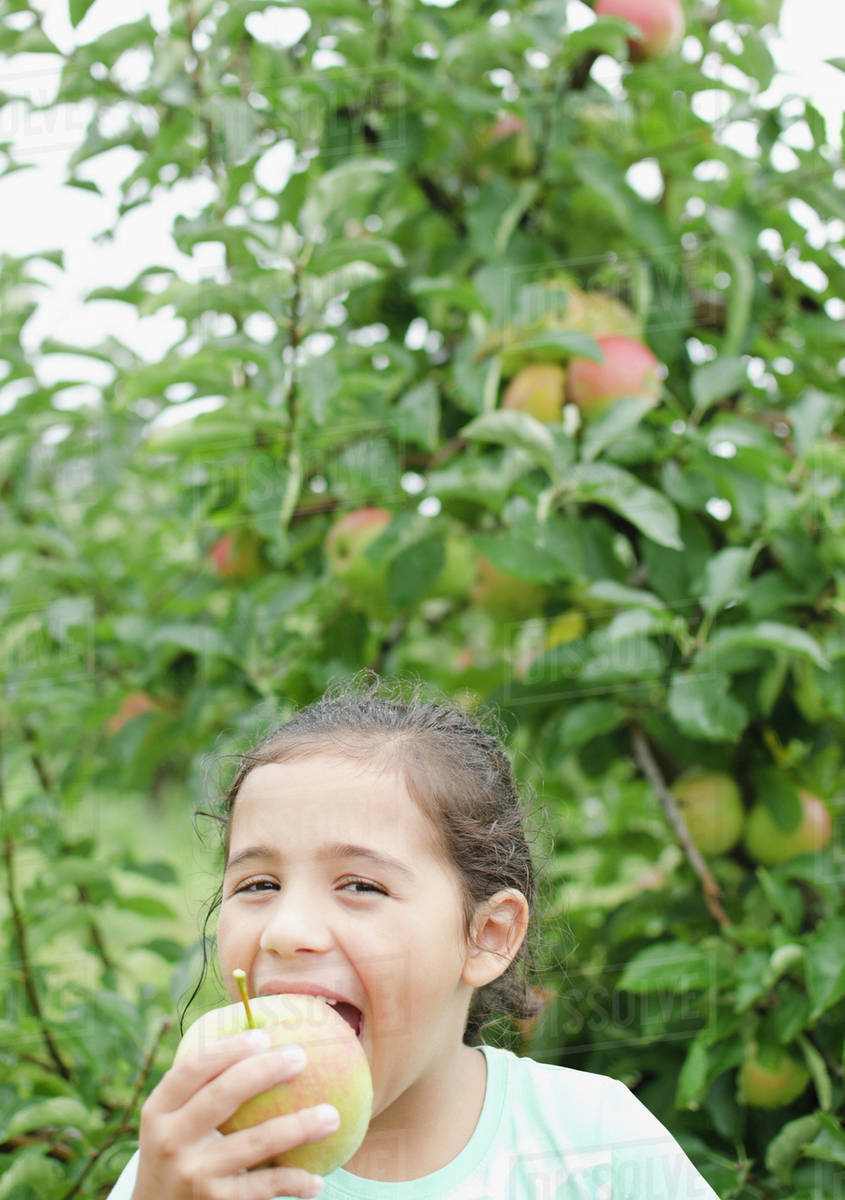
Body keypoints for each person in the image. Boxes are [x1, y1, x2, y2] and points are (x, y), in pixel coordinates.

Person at [107, 675, 719, 1200]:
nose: (286, 931)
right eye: (258, 883)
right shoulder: (203, 1165)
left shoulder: (595, 1143)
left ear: (487, 935)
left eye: (360, 886)